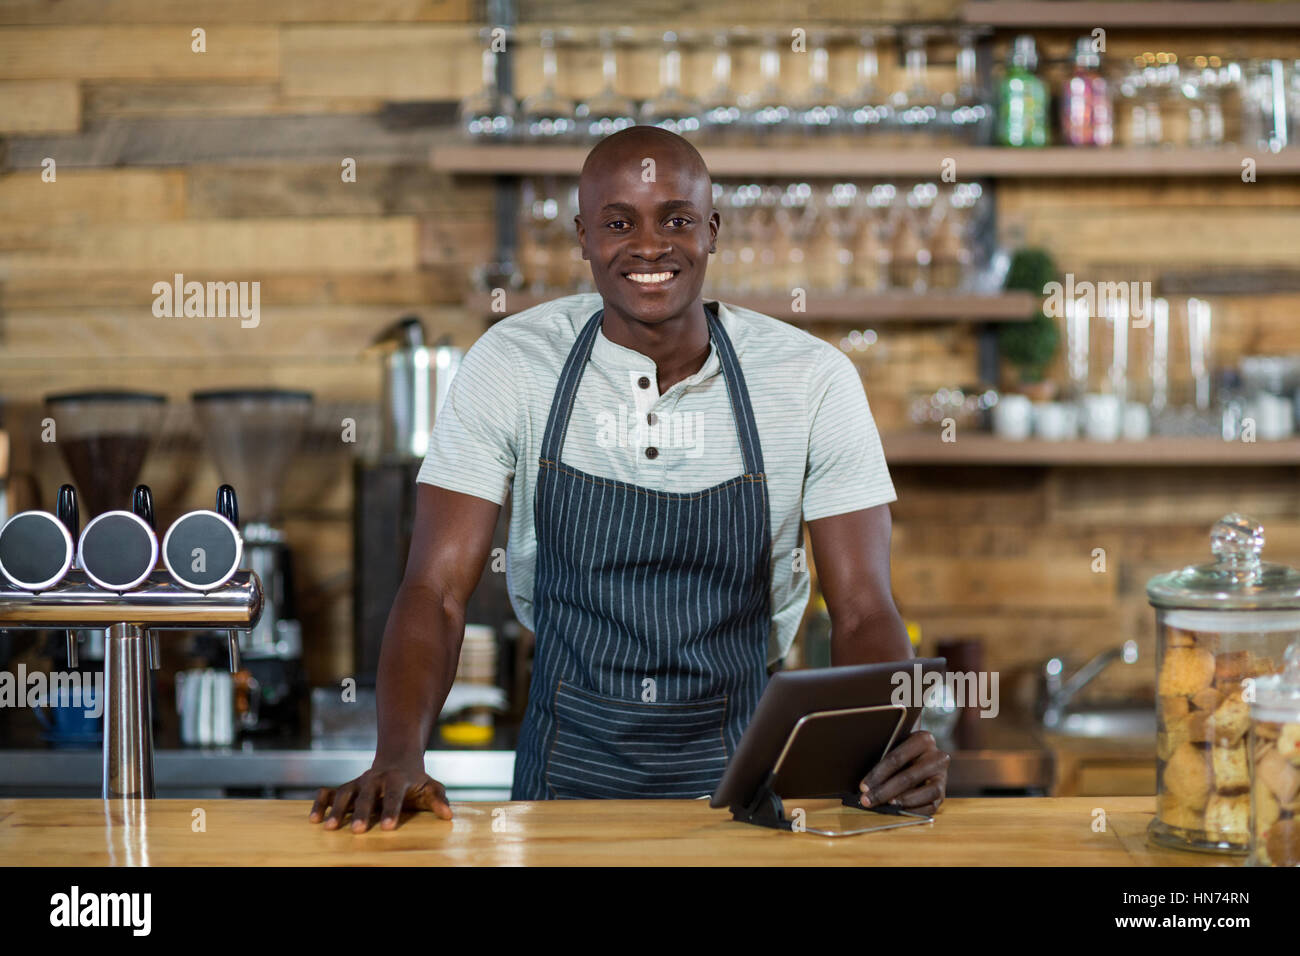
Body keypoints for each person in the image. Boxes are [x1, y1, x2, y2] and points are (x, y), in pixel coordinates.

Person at [310, 126, 949, 832]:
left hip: (741, 789)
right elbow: (434, 590)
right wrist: (399, 753)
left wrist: (882, 745)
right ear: (583, 236)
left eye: (676, 219)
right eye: (619, 223)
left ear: (712, 231)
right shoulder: (511, 364)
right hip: (561, 787)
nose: (649, 246)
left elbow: (861, 607)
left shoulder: (811, 380)